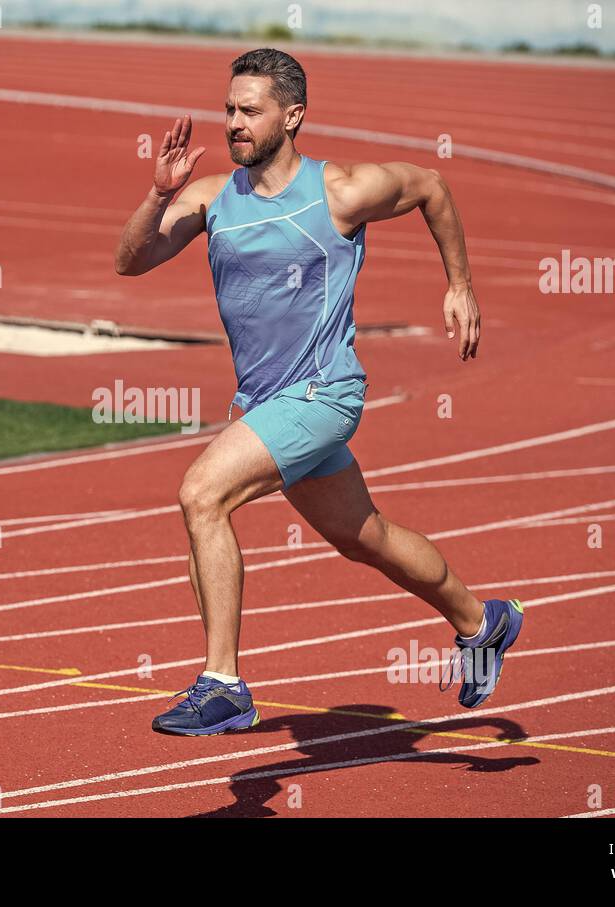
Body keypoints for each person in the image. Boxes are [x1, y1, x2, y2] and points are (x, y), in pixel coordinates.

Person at [114, 48, 522, 736]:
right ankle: (483, 621)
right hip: (265, 404)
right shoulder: (213, 197)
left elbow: (431, 185)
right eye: (229, 110)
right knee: (366, 537)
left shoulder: (340, 191)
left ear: (293, 115)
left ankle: (224, 684)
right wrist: (157, 194)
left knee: (201, 493)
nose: (235, 123)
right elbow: (131, 261)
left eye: (250, 111)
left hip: (322, 393)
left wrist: (460, 286)